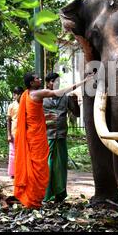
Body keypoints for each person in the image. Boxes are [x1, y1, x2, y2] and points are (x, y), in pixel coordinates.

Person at [14, 71, 94, 208]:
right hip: (40, 136)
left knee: (39, 167)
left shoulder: (26, 96)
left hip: (42, 134)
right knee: (39, 167)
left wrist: (45, 118)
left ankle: (42, 196)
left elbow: (32, 116)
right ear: (32, 83)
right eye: (37, 78)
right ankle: (34, 197)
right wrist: (83, 82)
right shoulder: (37, 94)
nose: (39, 79)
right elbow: (60, 92)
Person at [43, 73, 80, 203]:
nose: (56, 83)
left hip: (61, 136)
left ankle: (60, 195)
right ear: (48, 83)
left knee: (60, 166)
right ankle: (46, 195)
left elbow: (77, 113)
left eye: (58, 81)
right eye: (54, 81)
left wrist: (75, 102)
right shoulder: (42, 97)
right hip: (47, 136)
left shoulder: (65, 97)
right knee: (48, 165)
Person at [6, 86, 24, 178]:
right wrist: (9, 134)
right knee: (13, 153)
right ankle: (13, 173)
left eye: (21, 94)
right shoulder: (11, 106)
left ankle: (21, 171)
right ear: (14, 95)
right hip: (14, 132)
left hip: (24, 132)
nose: (20, 96)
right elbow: (8, 120)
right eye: (18, 94)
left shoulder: (25, 105)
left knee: (23, 153)